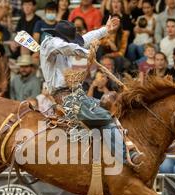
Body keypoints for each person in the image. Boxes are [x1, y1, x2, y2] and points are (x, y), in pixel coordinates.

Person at [39, 18, 142, 167]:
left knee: (112, 108)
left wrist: (105, 30)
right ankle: (126, 159)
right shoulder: (50, 43)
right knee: (105, 117)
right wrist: (88, 53)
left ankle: (125, 146)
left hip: (75, 94)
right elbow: (69, 47)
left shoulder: (61, 44)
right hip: (66, 97)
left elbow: (82, 40)